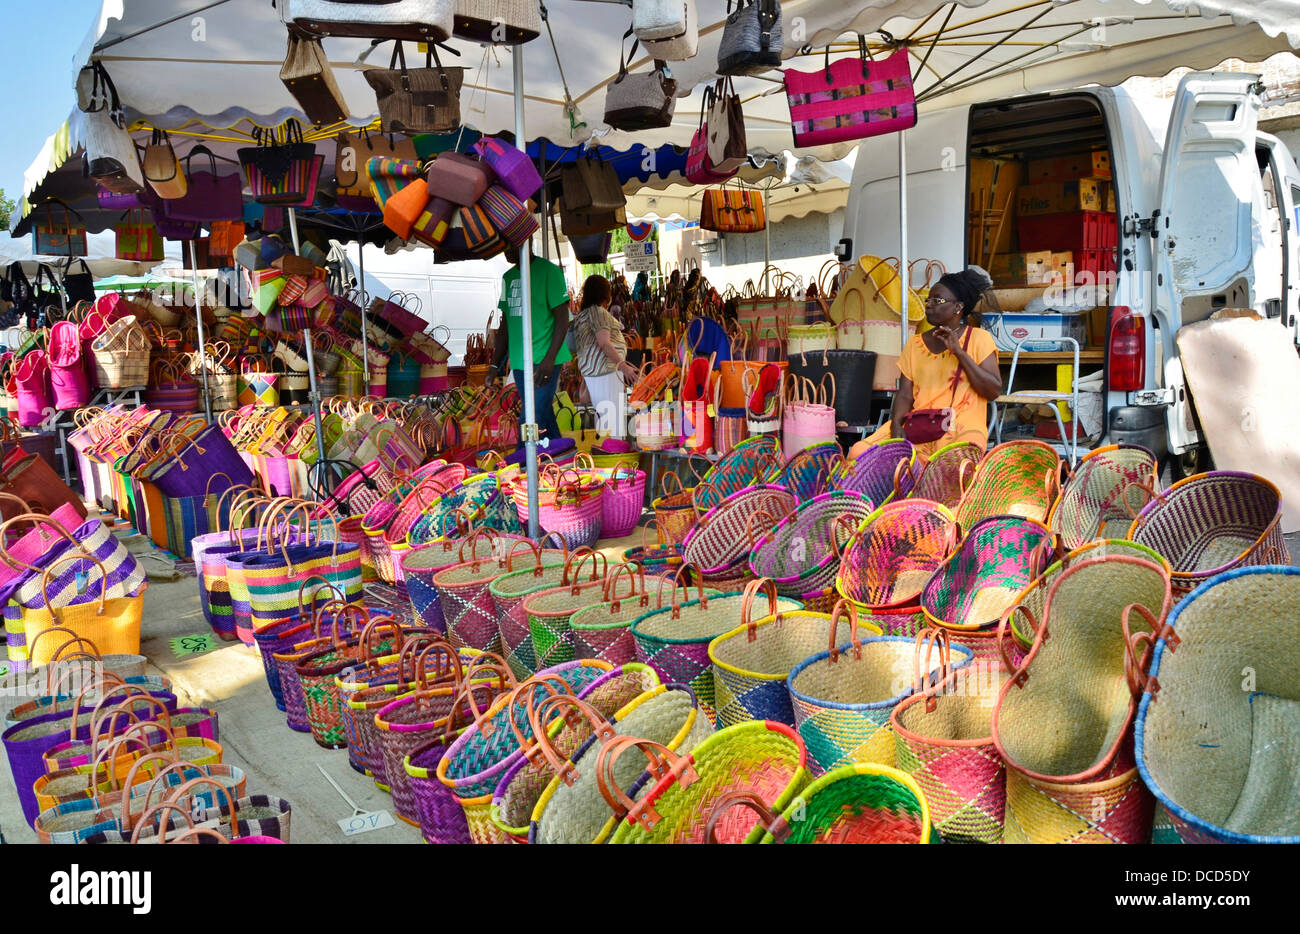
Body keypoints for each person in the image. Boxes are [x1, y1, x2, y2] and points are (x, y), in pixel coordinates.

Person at [848, 267, 1002, 460]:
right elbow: (905, 394)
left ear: (958, 307)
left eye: (937, 300)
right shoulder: (915, 344)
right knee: (858, 452)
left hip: (961, 425)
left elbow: (993, 391)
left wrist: (959, 352)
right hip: (918, 424)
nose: (929, 305)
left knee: (957, 458)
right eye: (928, 300)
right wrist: (896, 425)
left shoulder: (979, 338)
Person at [489, 249, 572, 446]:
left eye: (511, 243)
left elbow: (563, 318)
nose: (506, 250)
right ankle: (564, 460)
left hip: (544, 359)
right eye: (504, 245)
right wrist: (494, 366)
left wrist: (550, 359)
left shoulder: (549, 272)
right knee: (543, 416)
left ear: (525, 241)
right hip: (519, 363)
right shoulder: (508, 277)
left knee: (530, 419)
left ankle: (522, 467)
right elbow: (505, 325)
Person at [569, 274, 638, 439]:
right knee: (611, 422)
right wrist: (624, 366)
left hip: (595, 373)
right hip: (605, 372)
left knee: (605, 420)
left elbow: (576, 346)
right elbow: (604, 343)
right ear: (605, 293)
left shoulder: (582, 315)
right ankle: (613, 457)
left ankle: (608, 454)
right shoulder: (598, 313)